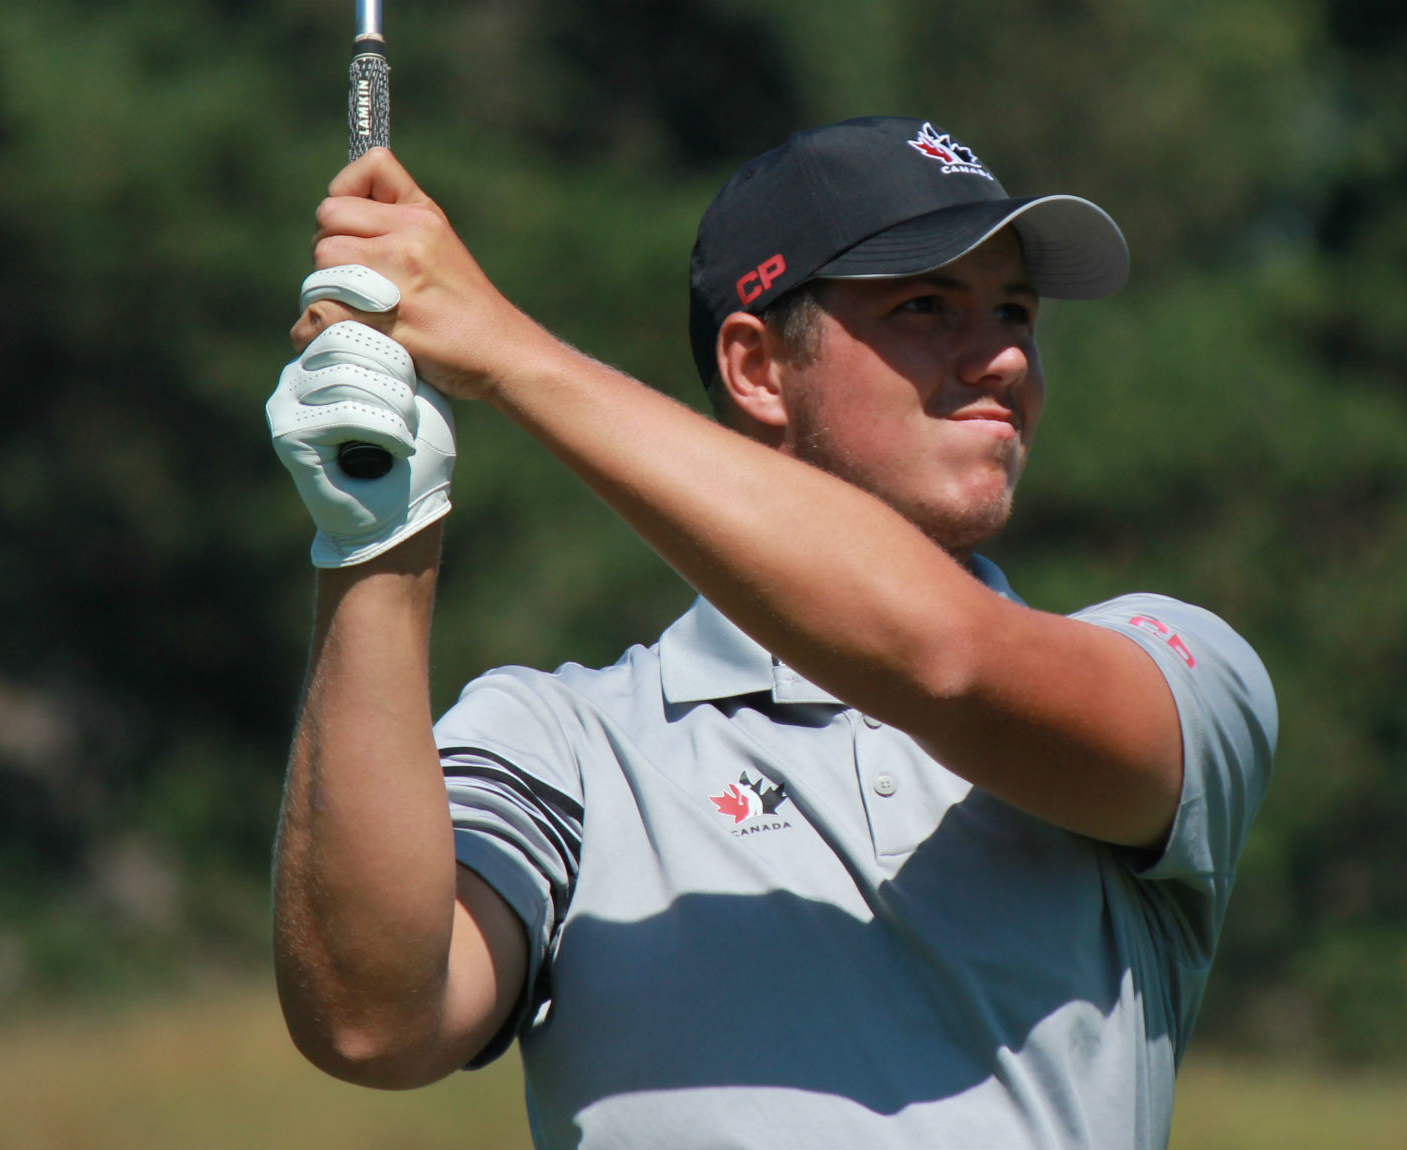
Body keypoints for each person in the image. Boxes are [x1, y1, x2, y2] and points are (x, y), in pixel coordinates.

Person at [266, 116, 1276, 1149]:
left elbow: (946, 659)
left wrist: (504, 351)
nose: (1006, 354)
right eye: (927, 306)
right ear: (754, 369)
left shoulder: (1175, 663)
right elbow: (371, 1022)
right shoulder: (561, 739)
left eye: (1013, 309)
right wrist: (375, 542)